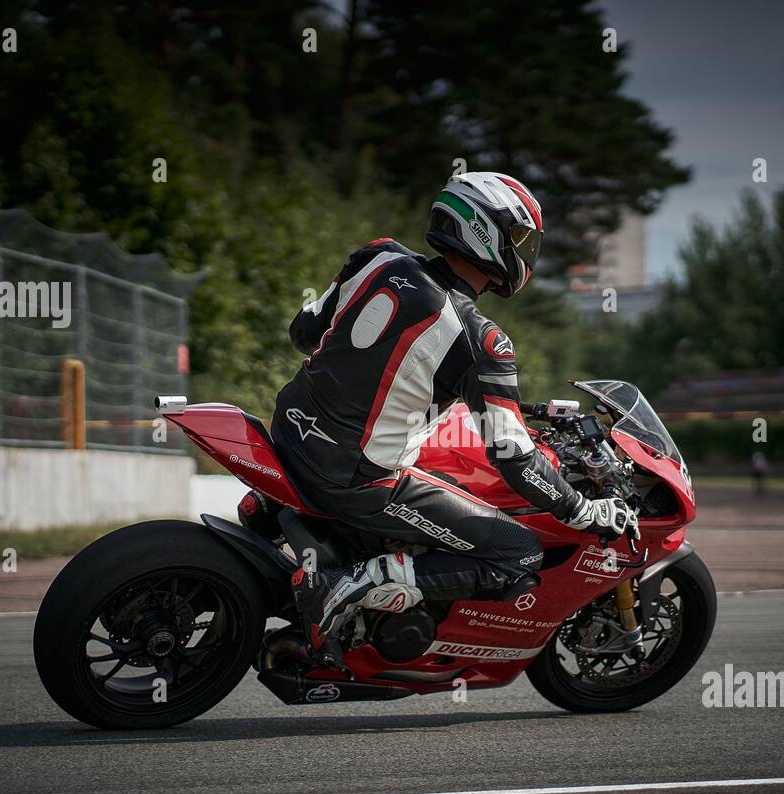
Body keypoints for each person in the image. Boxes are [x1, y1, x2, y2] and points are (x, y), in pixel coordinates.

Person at [272, 171, 637, 670]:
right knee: (517, 552)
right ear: (488, 232)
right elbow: (512, 456)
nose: (526, 252)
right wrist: (580, 510)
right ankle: (354, 583)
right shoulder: (480, 338)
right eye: (523, 239)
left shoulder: (378, 256)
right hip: (354, 479)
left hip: (289, 431)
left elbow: (306, 333)